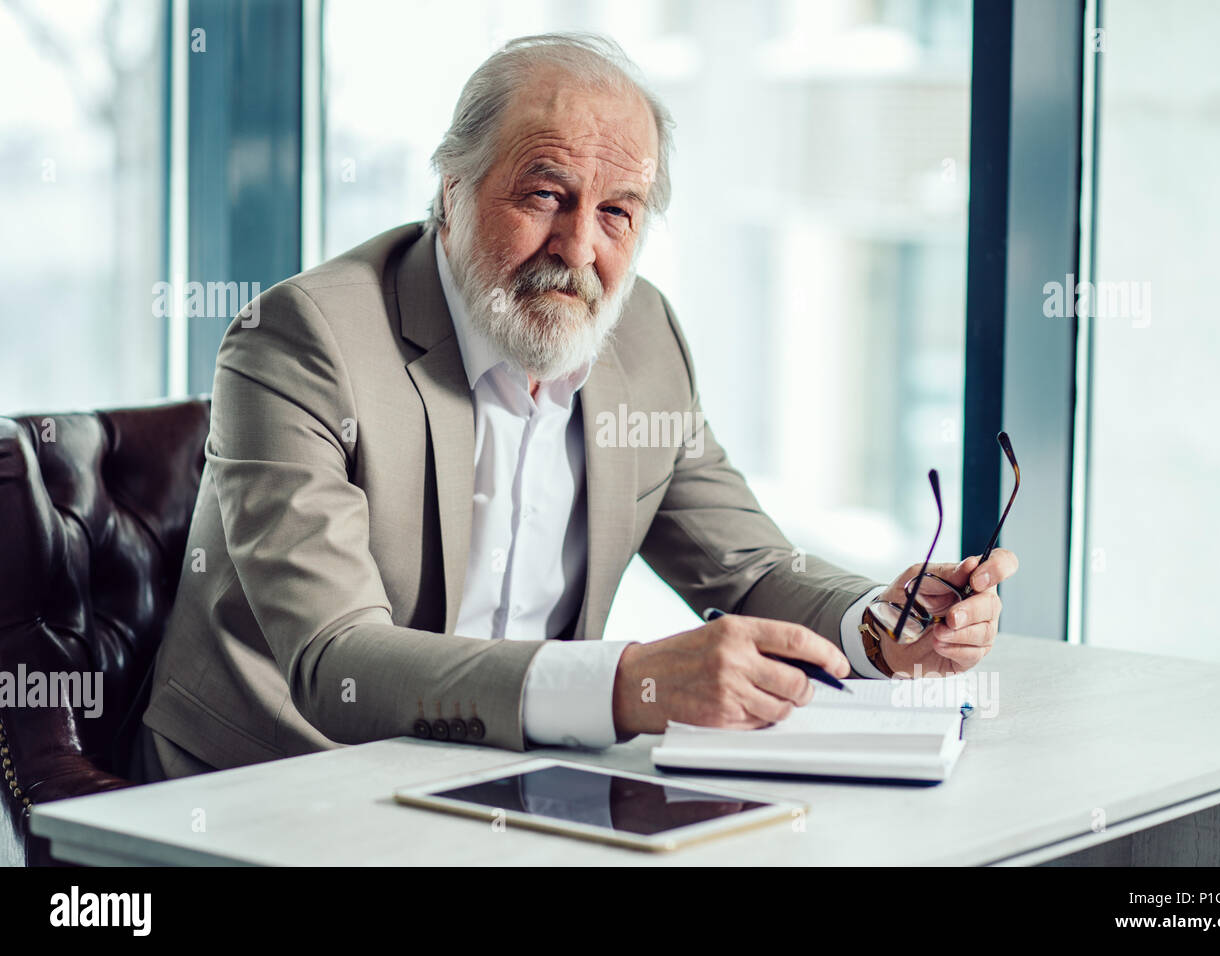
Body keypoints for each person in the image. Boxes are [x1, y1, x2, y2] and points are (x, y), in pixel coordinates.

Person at [138, 32, 1018, 781]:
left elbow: (747, 571)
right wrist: (630, 683)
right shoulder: (303, 337)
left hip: (515, 781)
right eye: (545, 194)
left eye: (618, 212)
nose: (579, 247)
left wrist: (882, 625)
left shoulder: (641, 337)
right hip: (288, 786)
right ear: (451, 189)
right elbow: (336, 661)